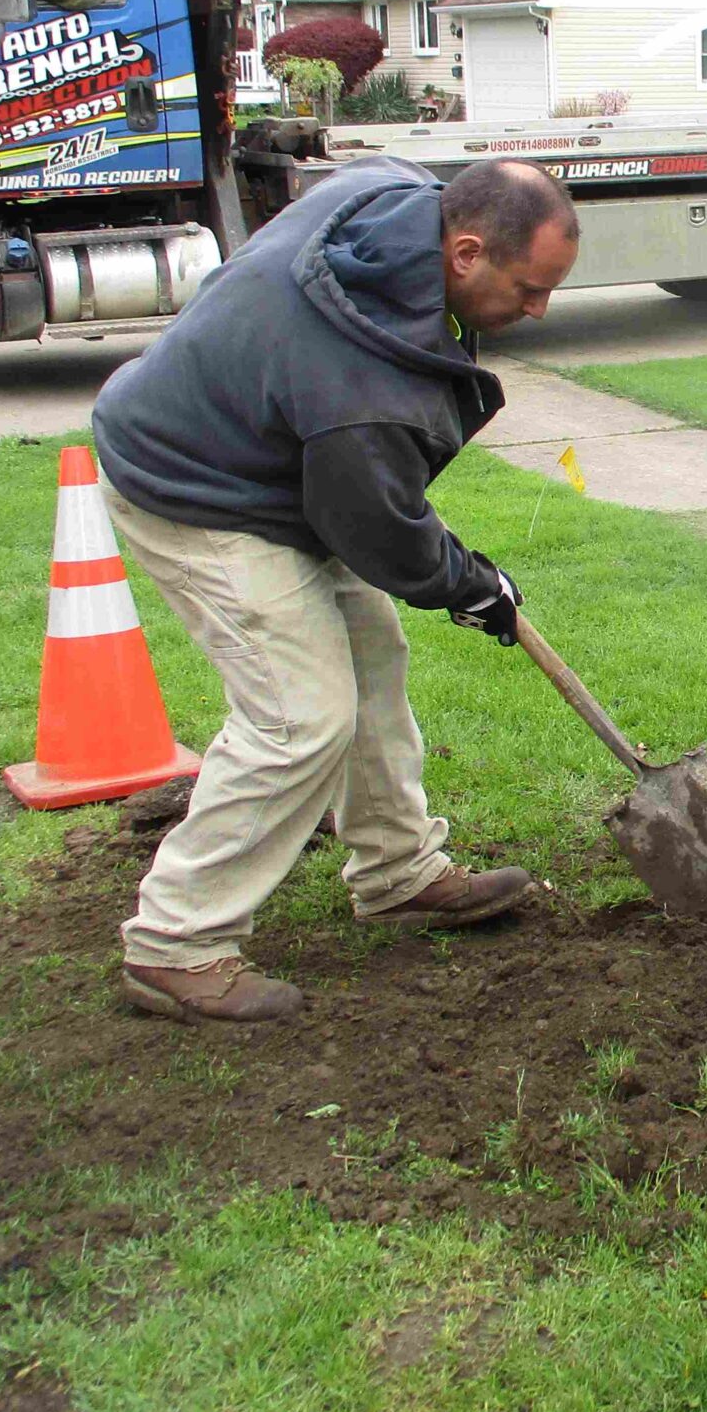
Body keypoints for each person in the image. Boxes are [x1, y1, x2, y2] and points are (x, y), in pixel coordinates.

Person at [91, 157, 582, 1025]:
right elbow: (380, 526)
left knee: (371, 651)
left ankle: (398, 872)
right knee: (299, 715)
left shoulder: (393, 197)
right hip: (191, 489)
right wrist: (470, 584)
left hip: (264, 460)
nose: (537, 311)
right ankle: (175, 944)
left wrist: (466, 580)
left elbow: (366, 506)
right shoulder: (358, 385)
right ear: (464, 252)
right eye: (528, 288)